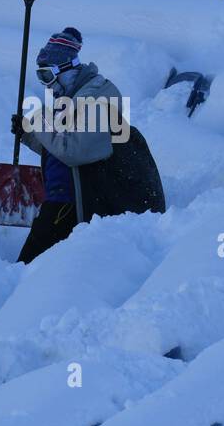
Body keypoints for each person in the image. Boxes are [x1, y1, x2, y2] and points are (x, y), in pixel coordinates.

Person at [11, 27, 166, 263]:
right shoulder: (72, 100)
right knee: (34, 266)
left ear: (67, 70)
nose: (47, 85)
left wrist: (40, 120)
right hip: (63, 198)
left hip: (72, 203)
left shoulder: (97, 101)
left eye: (47, 75)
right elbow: (59, 146)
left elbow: (75, 152)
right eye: (41, 77)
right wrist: (29, 134)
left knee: (27, 266)